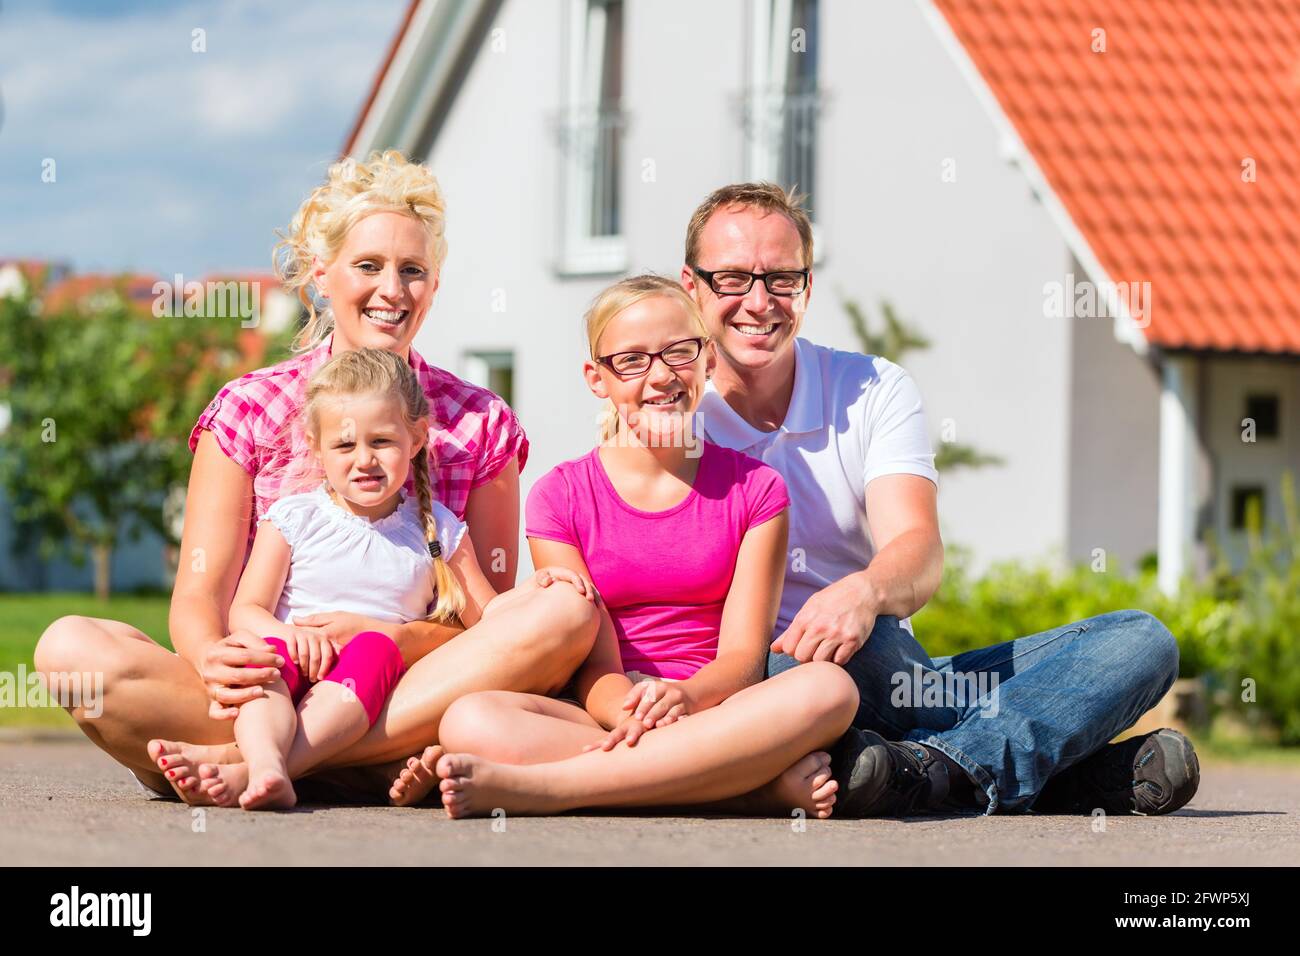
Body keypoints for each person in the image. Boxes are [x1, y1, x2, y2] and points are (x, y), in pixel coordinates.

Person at [34, 151, 598, 801]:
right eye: (368, 266)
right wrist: (214, 656)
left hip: (407, 687)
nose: (393, 289)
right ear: (320, 276)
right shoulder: (248, 409)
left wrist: (387, 638)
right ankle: (354, 763)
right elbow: (200, 599)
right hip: (271, 684)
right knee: (68, 648)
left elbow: (489, 630)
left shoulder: (479, 423)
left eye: (412, 271)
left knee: (563, 611)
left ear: (434, 286)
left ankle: (266, 763)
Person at [680, 182, 1199, 817]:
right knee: (812, 677)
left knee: (1141, 641)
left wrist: (865, 592)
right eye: (733, 279)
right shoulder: (671, 412)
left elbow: (918, 551)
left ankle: (926, 768)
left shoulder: (872, 388)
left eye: (782, 279)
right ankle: (1065, 775)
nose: (758, 302)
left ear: (807, 287)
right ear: (692, 286)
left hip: (894, 671)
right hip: (769, 684)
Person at [387, 275, 860, 818]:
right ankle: (749, 788)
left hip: (720, 708)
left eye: (679, 352)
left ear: (708, 360)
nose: (660, 376)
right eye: (632, 360)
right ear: (598, 378)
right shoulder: (559, 495)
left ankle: (554, 789)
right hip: (608, 712)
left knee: (829, 689)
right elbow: (593, 668)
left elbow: (743, 659)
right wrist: (630, 709)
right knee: (470, 720)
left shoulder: (757, 490)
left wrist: (685, 699)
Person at [187, 348, 595, 809]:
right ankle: (264, 762)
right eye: (344, 445)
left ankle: (262, 769)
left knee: (374, 650)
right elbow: (246, 609)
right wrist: (283, 635)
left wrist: (536, 592)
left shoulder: (436, 528)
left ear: (416, 439)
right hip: (296, 659)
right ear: (316, 445)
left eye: (382, 442)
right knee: (268, 662)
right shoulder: (293, 518)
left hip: (380, 683)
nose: (364, 460)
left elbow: (487, 616)